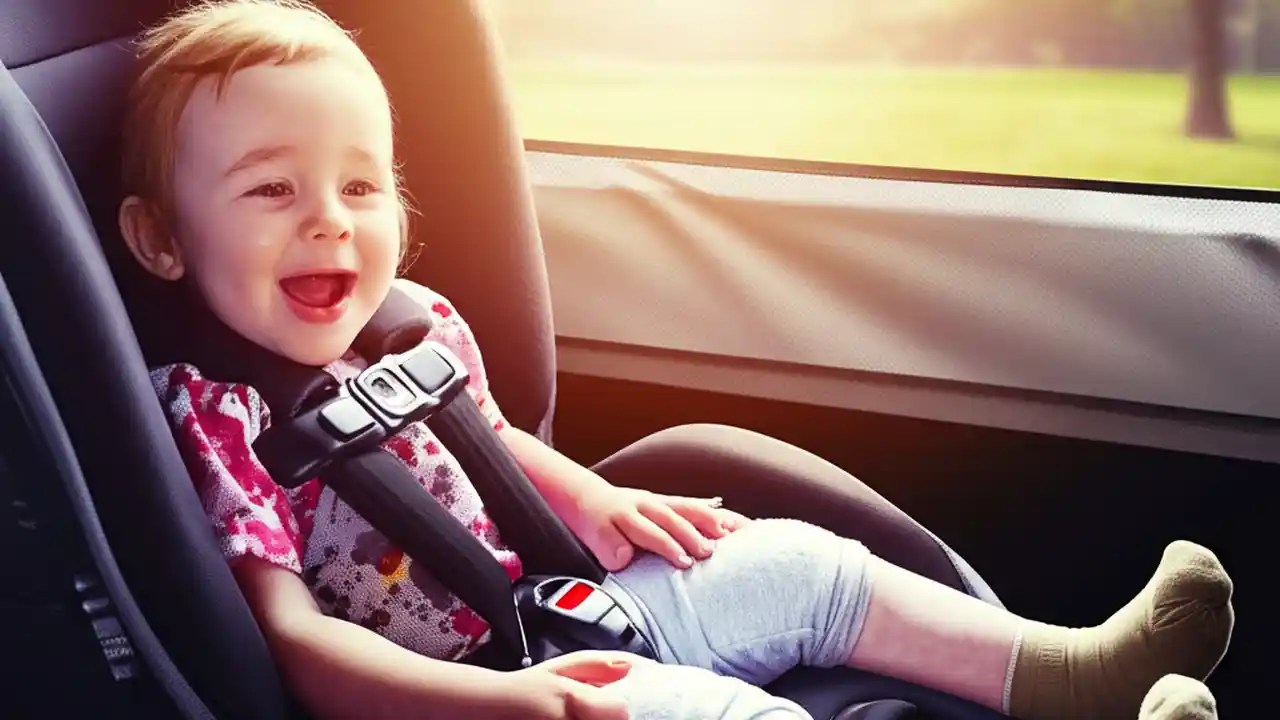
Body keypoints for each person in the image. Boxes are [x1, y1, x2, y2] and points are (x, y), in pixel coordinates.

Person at [116, 2, 1235, 718]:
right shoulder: (216, 419)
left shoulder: (415, 329)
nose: (329, 224)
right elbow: (289, 640)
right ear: (159, 238)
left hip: (572, 596)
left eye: (360, 187)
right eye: (271, 189)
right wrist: (514, 707)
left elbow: (495, 446)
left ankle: (1076, 676)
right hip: (477, 692)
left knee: (799, 565)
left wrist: (600, 499)